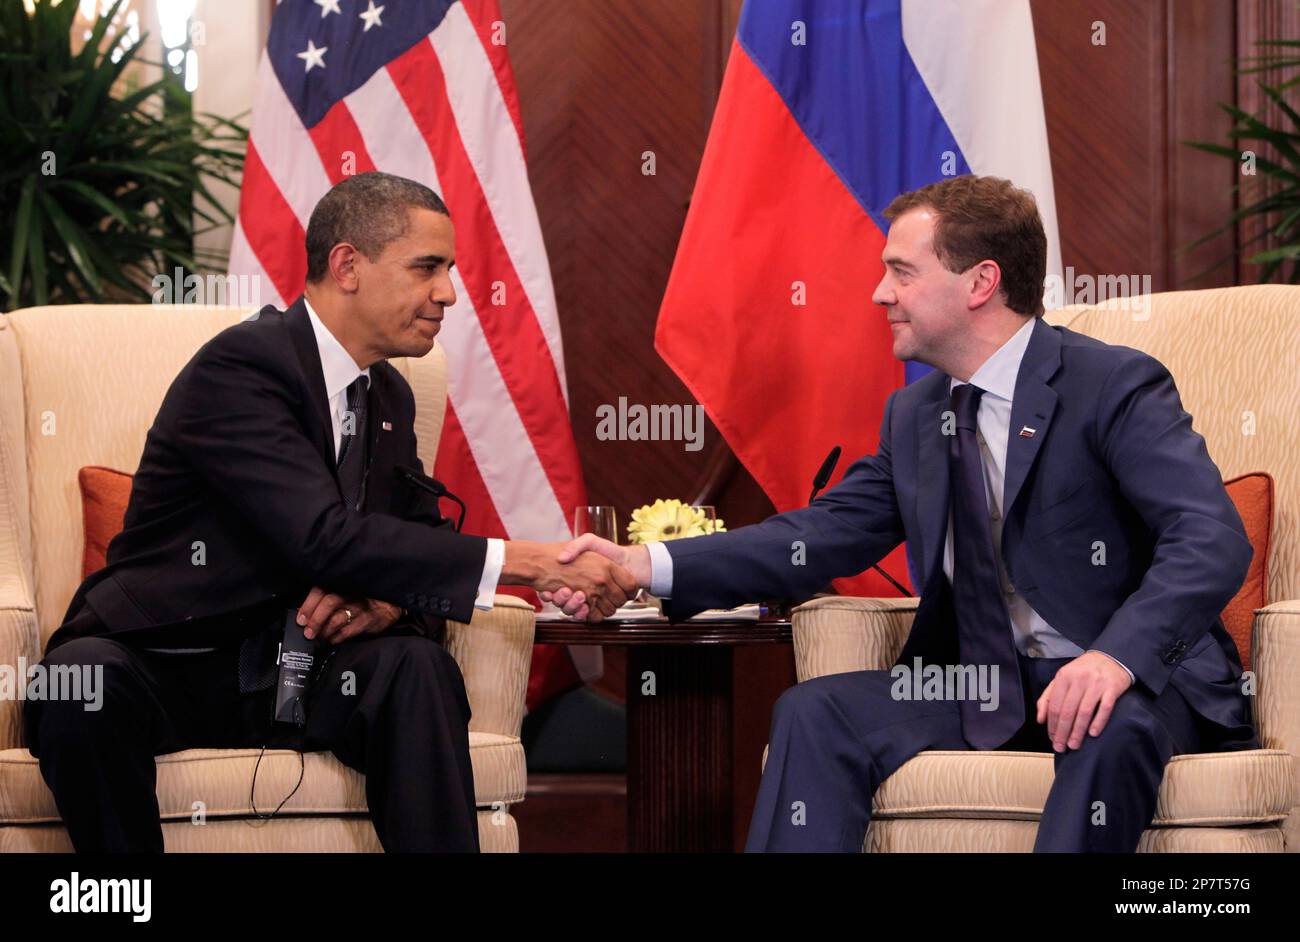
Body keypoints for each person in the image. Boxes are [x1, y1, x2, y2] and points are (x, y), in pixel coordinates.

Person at [546, 174, 1259, 852]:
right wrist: (643, 564)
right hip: (984, 684)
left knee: (1104, 729)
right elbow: (821, 532)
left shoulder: (1112, 384)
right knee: (814, 712)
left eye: (902, 271)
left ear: (981, 282)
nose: (879, 292)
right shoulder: (917, 413)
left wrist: (1114, 658)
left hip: (1130, 680)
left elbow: (1210, 538)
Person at [23, 171, 636, 853]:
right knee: (85, 685)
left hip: (307, 668)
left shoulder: (388, 397)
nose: (450, 294)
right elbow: (321, 537)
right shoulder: (243, 369)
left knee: (415, 667)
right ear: (347, 265)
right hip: (172, 660)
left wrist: (390, 606)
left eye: (451, 270)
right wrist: (529, 561)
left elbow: (411, 541)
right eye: (427, 268)